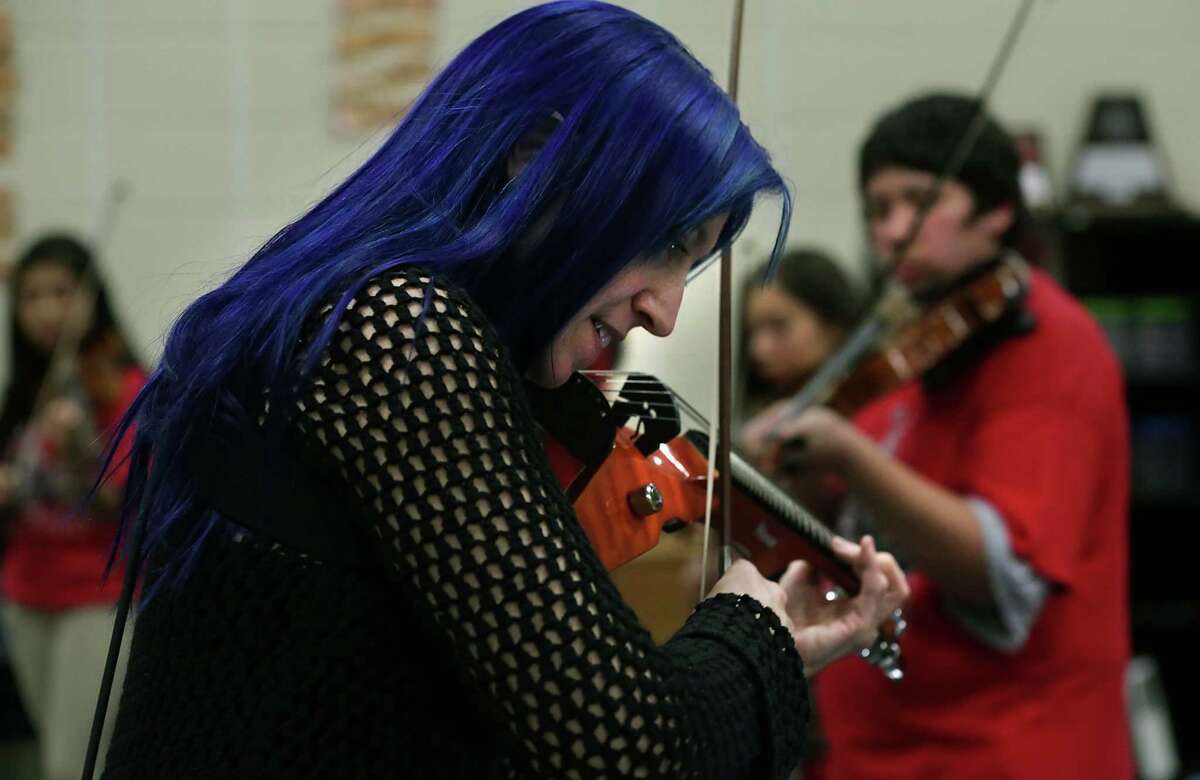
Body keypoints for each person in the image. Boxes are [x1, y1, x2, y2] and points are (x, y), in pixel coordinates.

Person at [98, 4, 907, 779]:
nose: (664, 314)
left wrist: (764, 651)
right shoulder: (402, 334)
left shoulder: (362, 317)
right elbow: (626, 752)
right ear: (534, 161)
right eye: (663, 244)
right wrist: (752, 628)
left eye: (687, 263)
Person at [772, 93, 1132, 779]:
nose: (894, 230)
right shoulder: (909, 350)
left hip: (1001, 752)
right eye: (878, 209)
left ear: (996, 209)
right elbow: (861, 529)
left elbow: (999, 571)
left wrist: (848, 452)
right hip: (878, 751)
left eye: (920, 200)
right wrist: (797, 479)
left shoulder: (1052, 348)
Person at [0, 234, 145, 780]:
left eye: (62, 292)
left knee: (71, 767)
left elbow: (127, 502)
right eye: (32, 296)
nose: (47, 310)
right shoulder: (24, 393)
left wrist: (80, 455)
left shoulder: (126, 386)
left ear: (92, 296)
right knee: (50, 758)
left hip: (96, 596)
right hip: (26, 592)